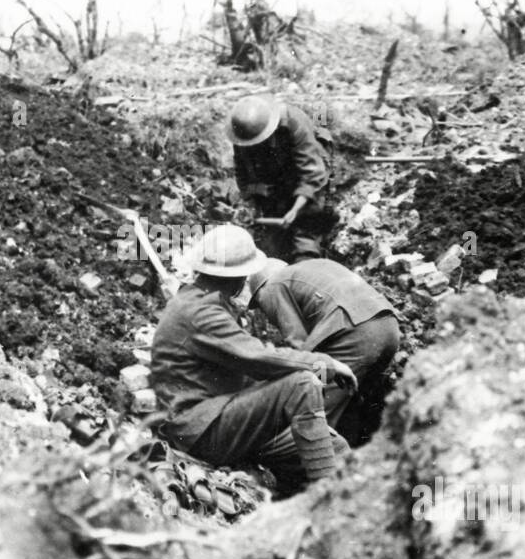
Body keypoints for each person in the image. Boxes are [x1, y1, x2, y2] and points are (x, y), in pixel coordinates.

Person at [149, 224, 356, 495]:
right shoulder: (200, 312)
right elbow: (258, 358)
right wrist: (324, 364)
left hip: (218, 420)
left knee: (335, 448)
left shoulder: (203, 303)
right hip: (200, 430)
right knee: (302, 384)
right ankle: (330, 500)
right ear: (236, 277)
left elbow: (251, 366)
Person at [247, 257, 400, 445]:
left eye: (260, 306)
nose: (266, 314)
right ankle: (351, 460)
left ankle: (312, 469)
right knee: (350, 402)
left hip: (354, 334)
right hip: (388, 327)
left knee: (315, 404)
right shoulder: (312, 267)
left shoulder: (271, 287)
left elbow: (298, 342)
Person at [229, 94, 337, 262]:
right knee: (274, 248)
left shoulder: (293, 122)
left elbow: (312, 173)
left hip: (305, 172)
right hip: (274, 177)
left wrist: (295, 210)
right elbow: (242, 172)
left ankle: (308, 258)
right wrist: (250, 203)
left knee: (305, 237)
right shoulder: (243, 133)